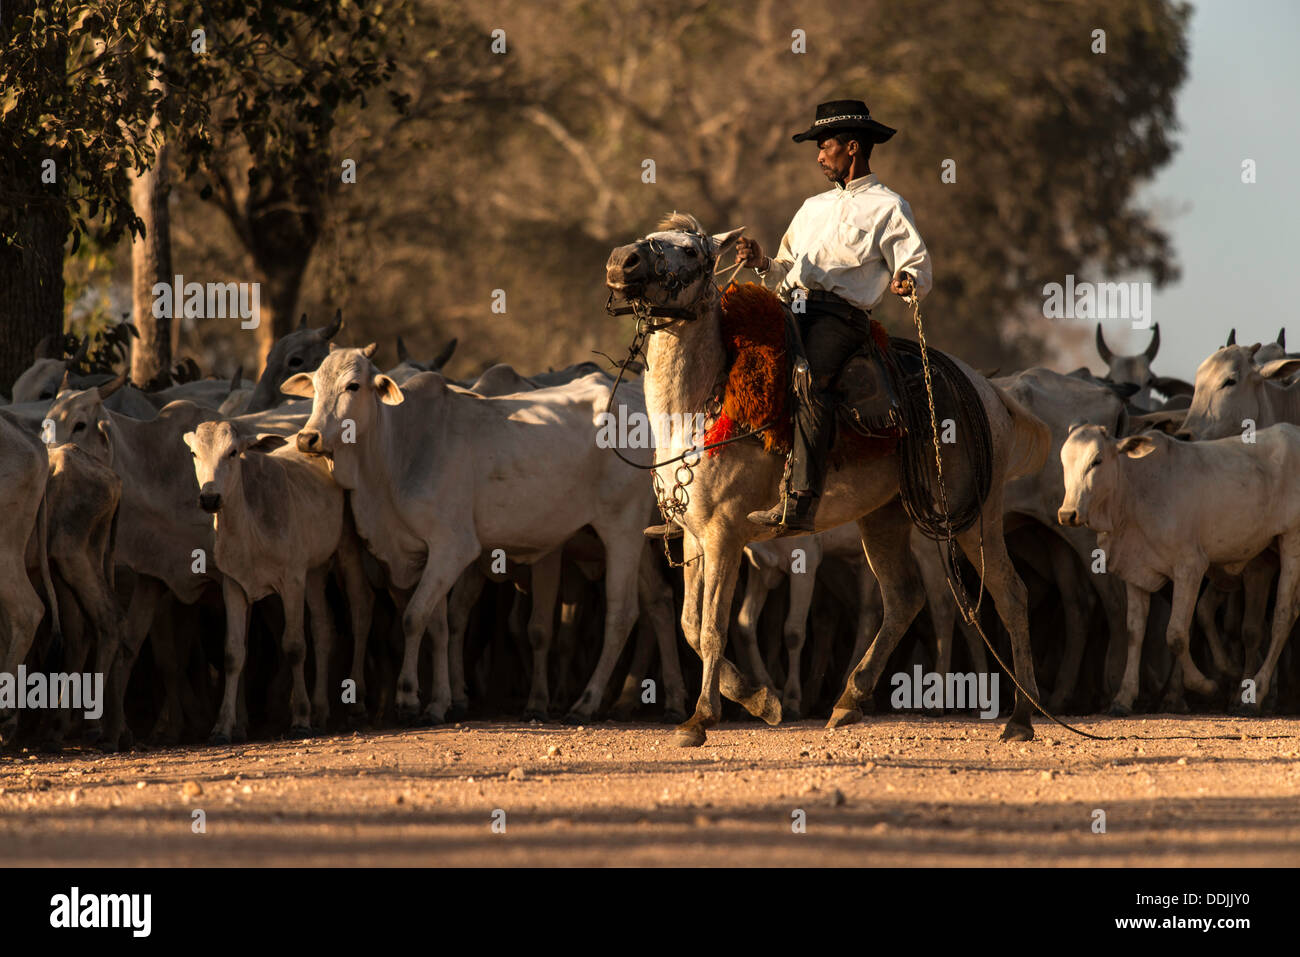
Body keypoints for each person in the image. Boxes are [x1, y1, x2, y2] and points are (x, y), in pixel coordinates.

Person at [738, 98, 932, 531]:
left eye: (825, 146)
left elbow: (915, 264)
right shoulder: (812, 207)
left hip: (840, 319)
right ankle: (702, 494)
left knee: (808, 377)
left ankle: (801, 500)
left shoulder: (889, 207)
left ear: (853, 148)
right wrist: (761, 262)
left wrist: (907, 281)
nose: (819, 156)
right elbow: (785, 268)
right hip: (791, 306)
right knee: (733, 358)